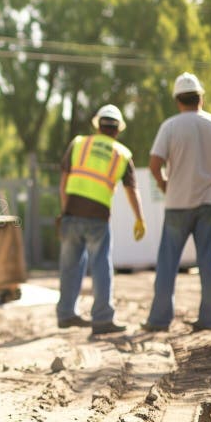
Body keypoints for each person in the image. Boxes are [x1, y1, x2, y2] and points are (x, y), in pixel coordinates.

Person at [143, 72, 211, 332]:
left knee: (168, 263)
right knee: (208, 262)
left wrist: (164, 183)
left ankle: (158, 320)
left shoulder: (170, 127)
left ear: (178, 100)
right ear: (200, 98)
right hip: (209, 204)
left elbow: (154, 163)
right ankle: (210, 319)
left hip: (177, 203)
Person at [57, 104, 146, 335]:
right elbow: (131, 190)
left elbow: (64, 180)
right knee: (100, 266)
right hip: (97, 218)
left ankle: (66, 314)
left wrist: (65, 211)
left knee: (69, 266)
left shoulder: (78, 144)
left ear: (98, 126)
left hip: (72, 212)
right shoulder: (122, 154)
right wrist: (139, 218)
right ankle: (102, 319)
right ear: (117, 130)